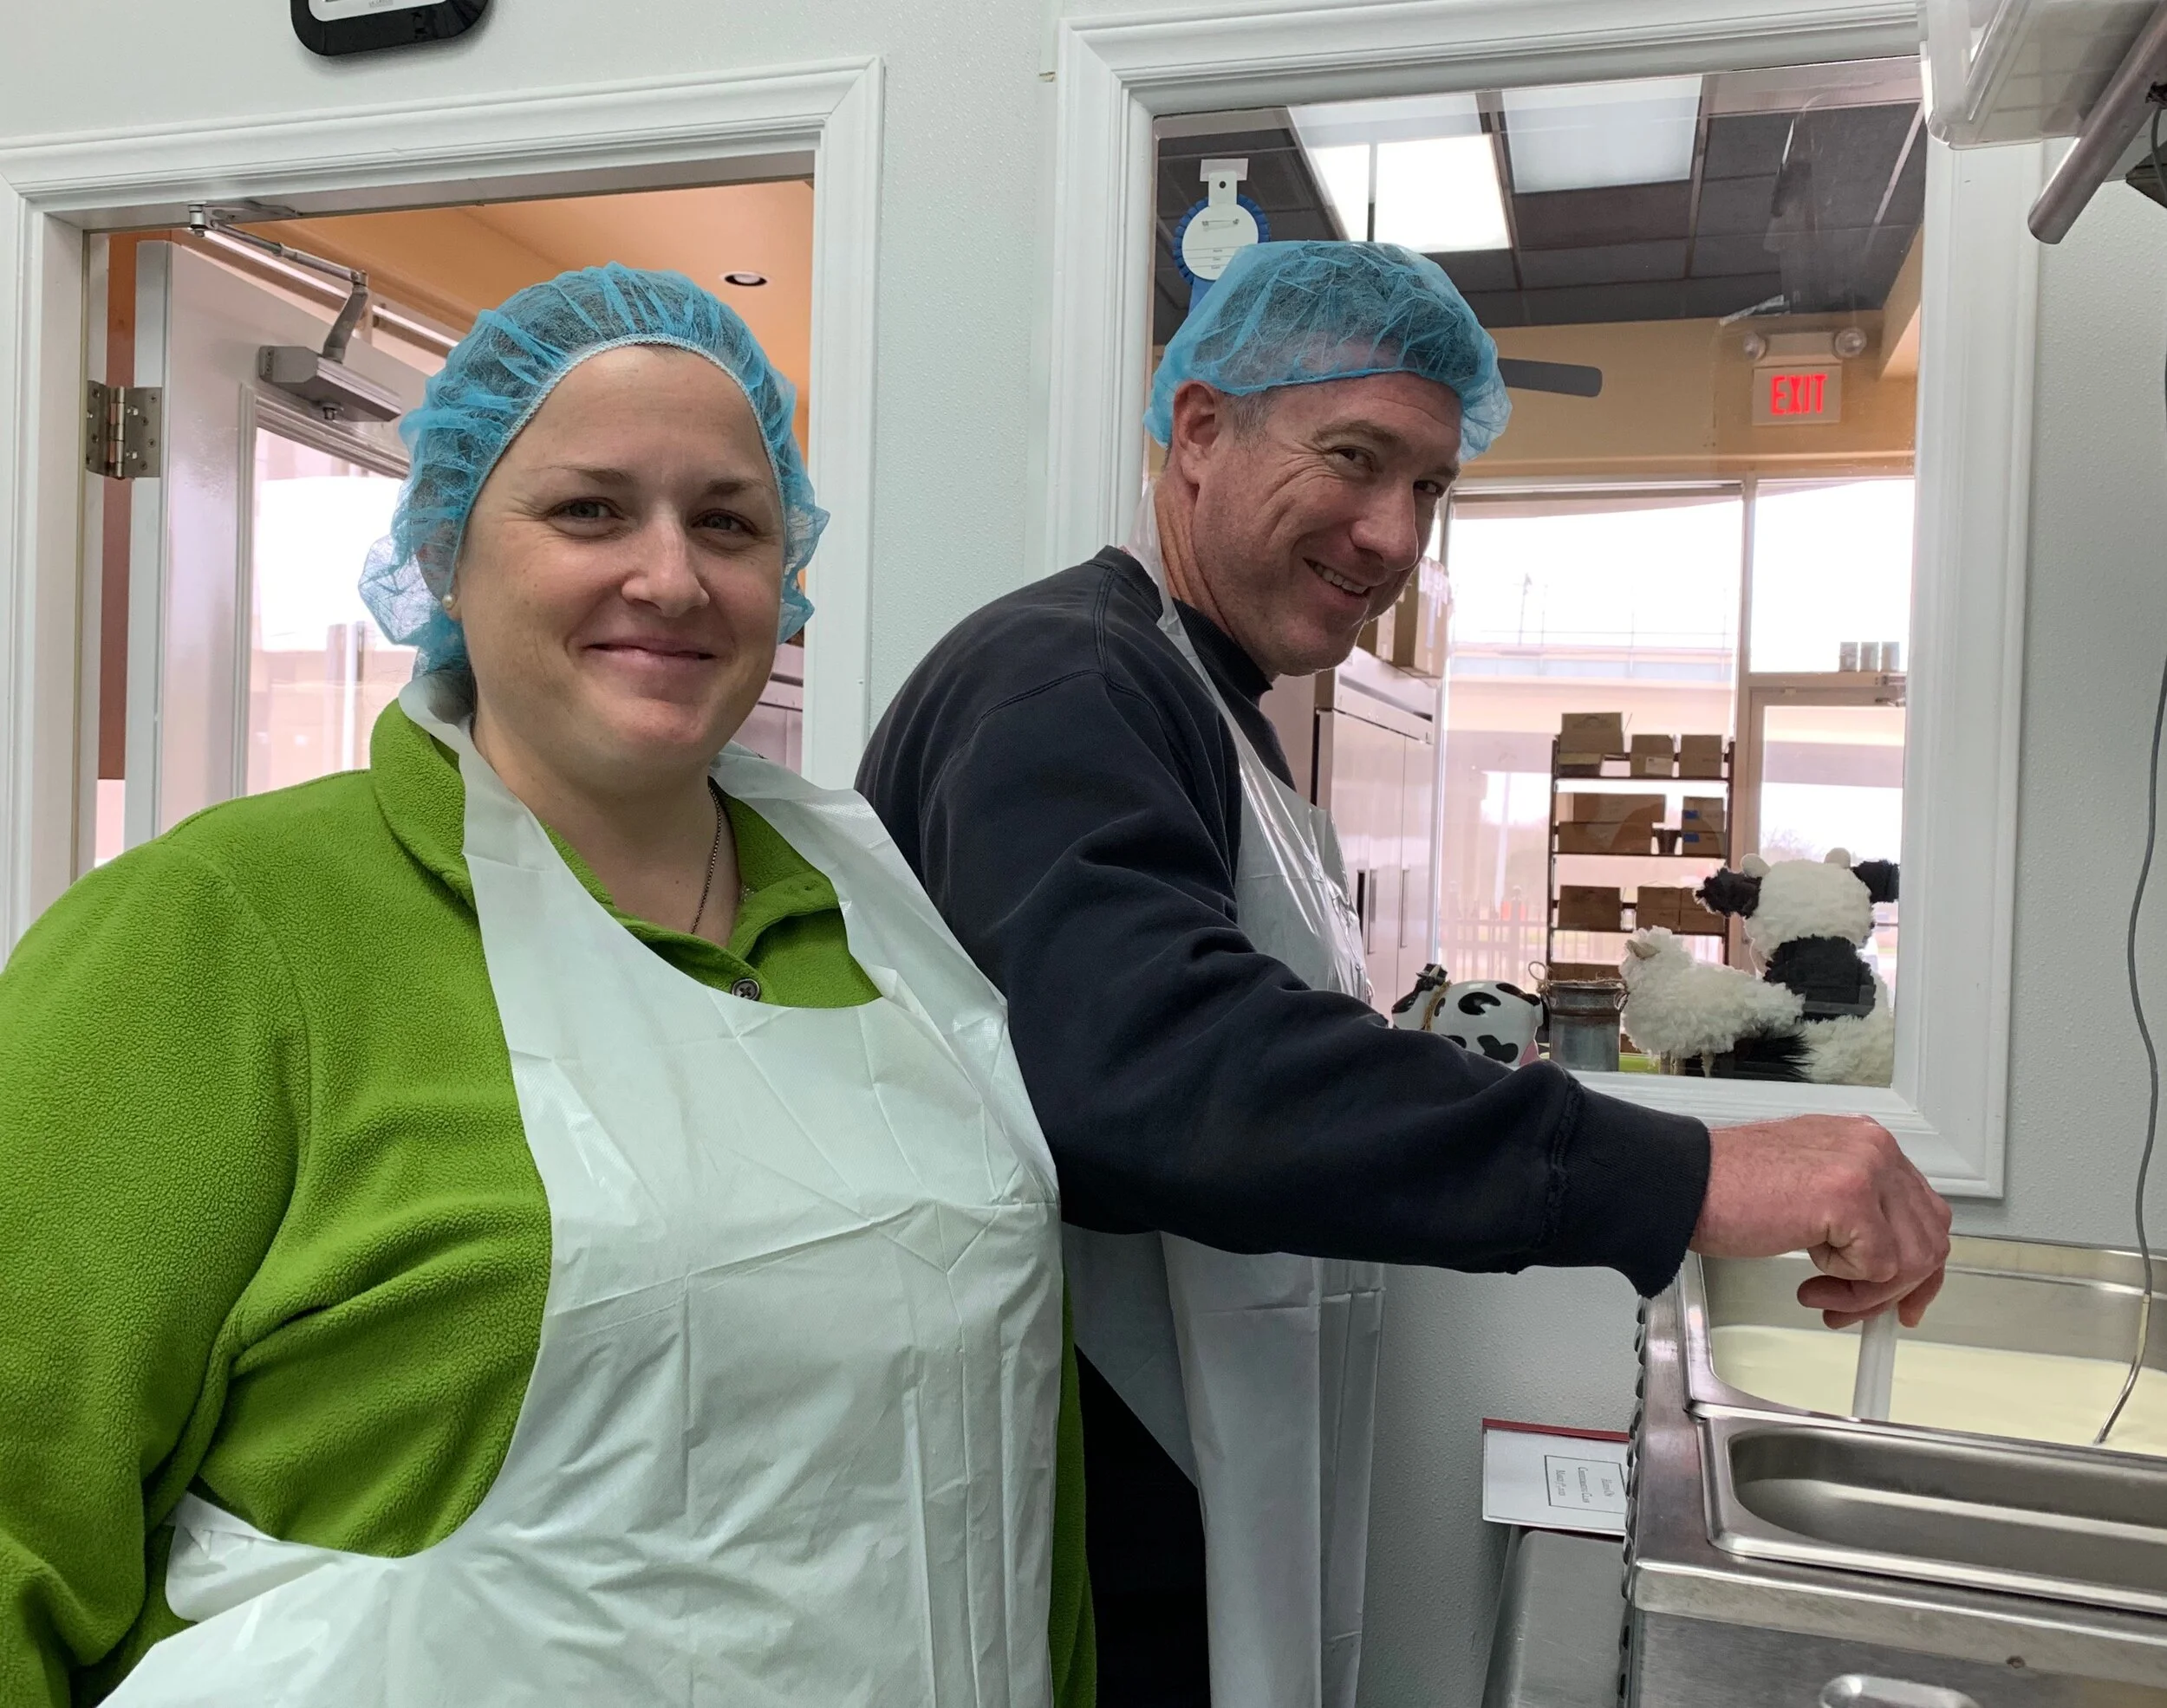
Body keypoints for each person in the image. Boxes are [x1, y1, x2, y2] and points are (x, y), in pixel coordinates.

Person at [857, 240, 1950, 1708]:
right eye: (1354, 458)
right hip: (1063, 1521)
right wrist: (1679, 1174)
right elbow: (1168, 1066)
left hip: (1167, 1485)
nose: (1391, 534)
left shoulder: (1210, 704)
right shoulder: (1069, 684)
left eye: (1429, 486)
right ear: (1197, 432)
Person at [0, 265, 1091, 1706]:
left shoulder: (886, 935)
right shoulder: (225, 930)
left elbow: (1015, 1497)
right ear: (448, 550)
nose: (672, 574)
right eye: (589, 509)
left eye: (729, 521)